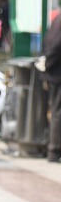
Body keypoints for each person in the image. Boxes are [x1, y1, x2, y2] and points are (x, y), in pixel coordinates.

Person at [45, 10, 61, 162]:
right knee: (57, 111)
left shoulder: (57, 19)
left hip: (55, 72)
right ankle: (54, 151)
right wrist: (48, 65)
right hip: (57, 74)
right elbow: (55, 46)